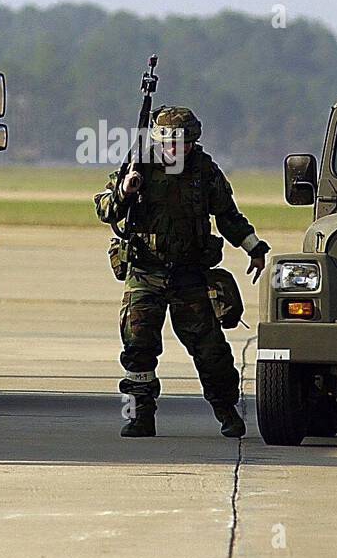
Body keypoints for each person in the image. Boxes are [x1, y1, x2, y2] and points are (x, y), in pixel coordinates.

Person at [94, 107, 269, 439]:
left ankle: (227, 411)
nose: (179, 149)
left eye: (185, 143)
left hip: (189, 275)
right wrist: (124, 192)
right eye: (172, 143)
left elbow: (228, 215)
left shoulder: (204, 171)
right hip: (145, 273)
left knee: (211, 350)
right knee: (137, 349)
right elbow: (104, 208)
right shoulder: (138, 165)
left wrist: (254, 247)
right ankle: (138, 415)